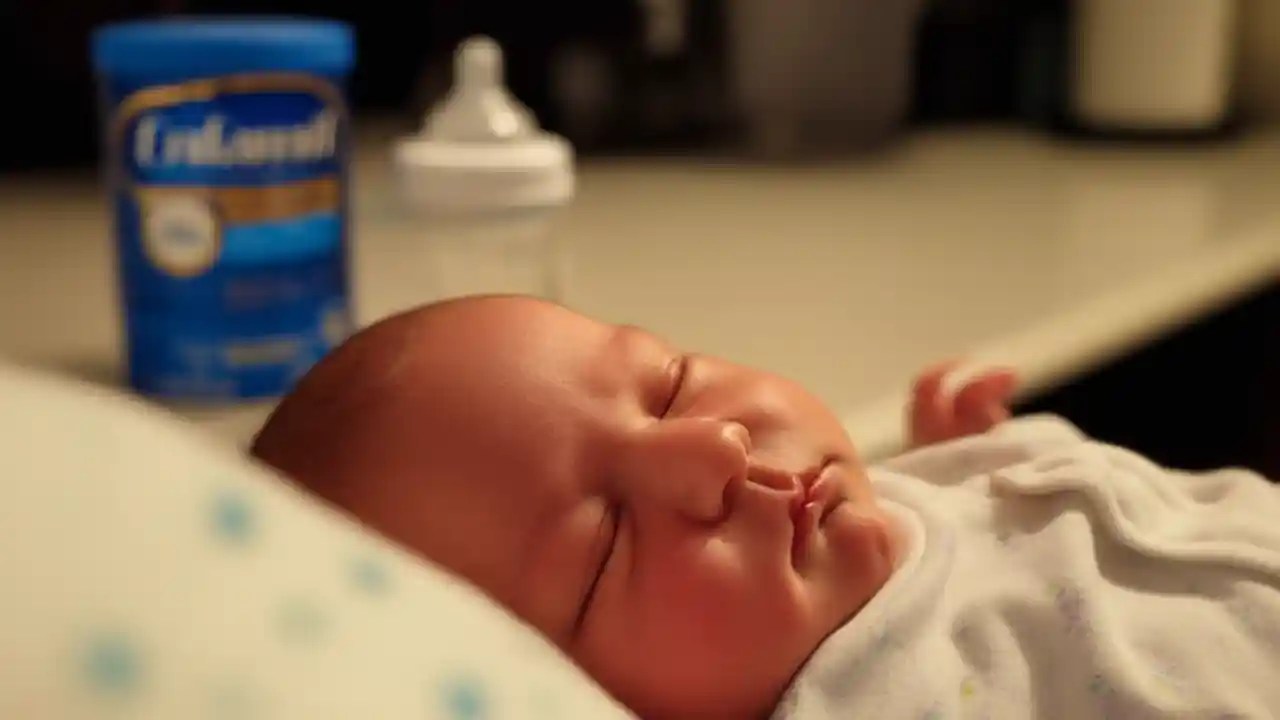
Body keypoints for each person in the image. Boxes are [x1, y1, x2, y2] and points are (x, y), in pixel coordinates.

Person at [252, 296, 1280, 719]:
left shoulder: (874, 500)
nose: (713, 449)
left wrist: (963, 456)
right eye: (605, 544)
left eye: (671, 382)